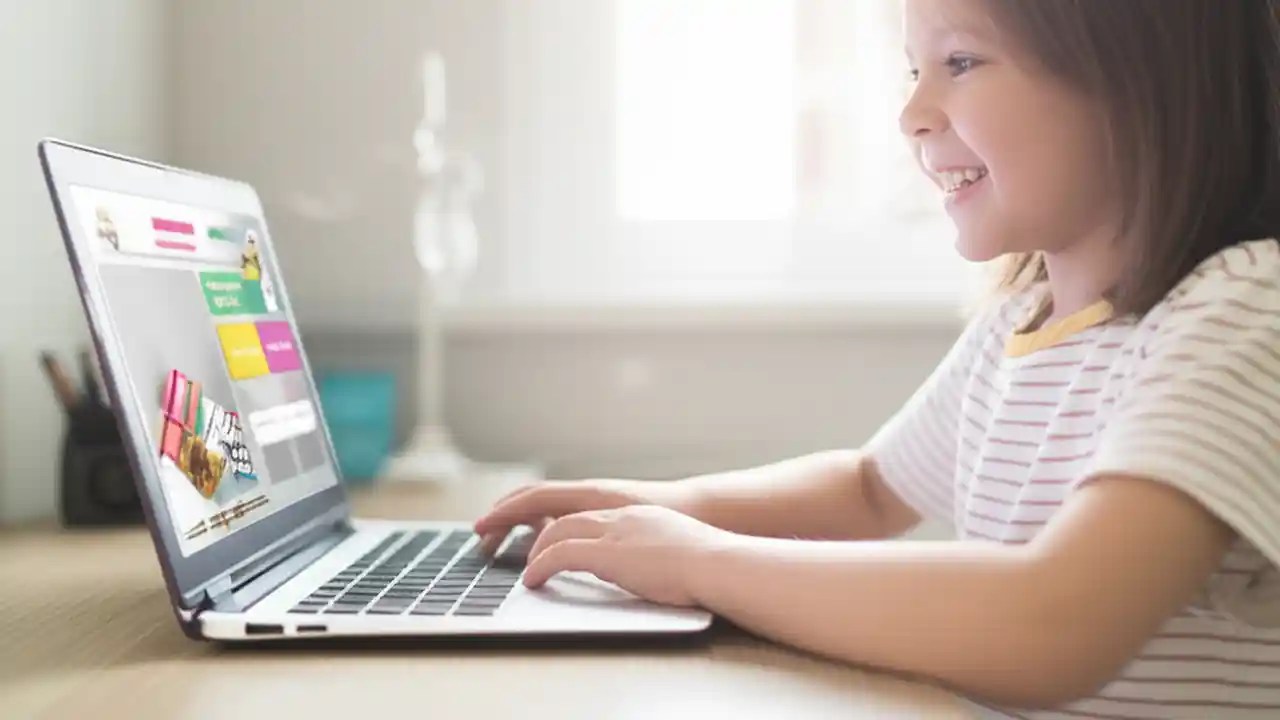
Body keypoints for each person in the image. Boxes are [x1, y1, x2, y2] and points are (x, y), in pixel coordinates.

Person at [473, 1, 1280, 716]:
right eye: (913, 70)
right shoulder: (1019, 326)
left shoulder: (1242, 308)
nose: (913, 113)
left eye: (960, 62)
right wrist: (655, 510)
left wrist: (703, 563)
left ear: (1139, 82)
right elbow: (867, 490)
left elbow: (1059, 622)